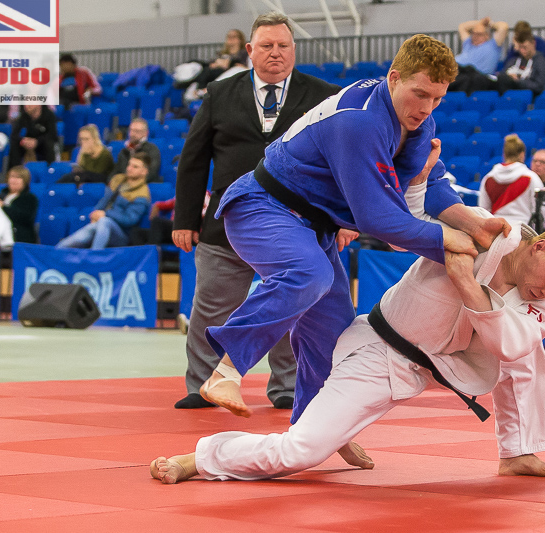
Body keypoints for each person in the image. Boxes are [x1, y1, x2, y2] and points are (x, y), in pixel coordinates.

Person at [199, 34, 511, 426]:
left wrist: (474, 225)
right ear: (394, 77)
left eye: (437, 99)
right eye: (420, 94)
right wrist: (447, 241)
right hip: (264, 206)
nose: (427, 108)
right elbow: (377, 219)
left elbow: (427, 181)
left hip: (314, 225)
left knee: (332, 331)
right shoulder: (361, 120)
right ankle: (225, 372)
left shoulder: (414, 118)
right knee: (308, 275)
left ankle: (313, 428)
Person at [150, 218, 545, 484]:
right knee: (301, 454)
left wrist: (466, 282)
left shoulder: (535, 297)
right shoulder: (481, 230)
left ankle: (519, 450)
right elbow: (407, 216)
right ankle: (204, 458)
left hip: (444, 363)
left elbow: (510, 343)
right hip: (380, 352)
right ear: (539, 246)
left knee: (523, 352)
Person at [172, 12, 341, 411]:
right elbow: (193, 159)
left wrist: (341, 221)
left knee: (290, 304)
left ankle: (286, 387)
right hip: (227, 220)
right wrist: (184, 220)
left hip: (298, 221)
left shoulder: (324, 95)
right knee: (210, 306)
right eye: (266, 46)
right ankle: (202, 385)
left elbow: (339, 163)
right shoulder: (219, 93)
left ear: (294, 49)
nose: (276, 53)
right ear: (250, 51)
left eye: (283, 45)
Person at [56, 152, 151, 249]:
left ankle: (94, 255)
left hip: (123, 235)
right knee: (92, 228)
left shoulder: (142, 194)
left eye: (135, 167)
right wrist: (95, 213)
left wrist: (105, 214)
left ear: (144, 171)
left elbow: (129, 220)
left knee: (104, 222)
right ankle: (58, 250)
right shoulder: (118, 180)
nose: (129, 168)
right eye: (129, 165)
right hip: (103, 223)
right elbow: (104, 200)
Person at [478, 134, 545, 226]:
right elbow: (541, 211)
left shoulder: (488, 178)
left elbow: (483, 211)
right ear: (522, 154)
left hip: (497, 229)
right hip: (523, 230)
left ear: (504, 154)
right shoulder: (531, 178)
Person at [448, 16, 510, 94]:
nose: (475, 36)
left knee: (466, 77)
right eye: (473, 33)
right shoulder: (468, 43)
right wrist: (480, 22)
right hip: (456, 70)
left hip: (475, 75)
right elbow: (462, 26)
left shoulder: (493, 45)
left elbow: (504, 27)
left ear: (487, 35)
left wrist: (489, 24)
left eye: (479, 34)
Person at [489, 30, 545, 96]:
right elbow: (503, 74)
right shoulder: (514, 60)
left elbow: (539, 86)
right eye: (520, 47)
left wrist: (517, 81)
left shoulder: (540, 62)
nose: (522, 51)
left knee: (503, 79)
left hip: (526, 94)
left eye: (525, 47)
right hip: (509, 89)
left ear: (533, 43)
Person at [0, 166, 38, 244]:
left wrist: (3, 207)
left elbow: (24, 217)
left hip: (19, 237)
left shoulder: (29, 198)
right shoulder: (2, 195)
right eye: (12, 177)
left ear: (25, 181)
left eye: (18, 178)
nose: (14, 180)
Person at [112, 118, 161, 183]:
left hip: (144, 186)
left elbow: (151, 172)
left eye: (136, 131)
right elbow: (117, 171)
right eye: (131, 130)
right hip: (124, 185)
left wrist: (133, 182)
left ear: (145, 133)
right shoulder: (124, 151)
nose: (132, 134)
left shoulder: (152, 150)